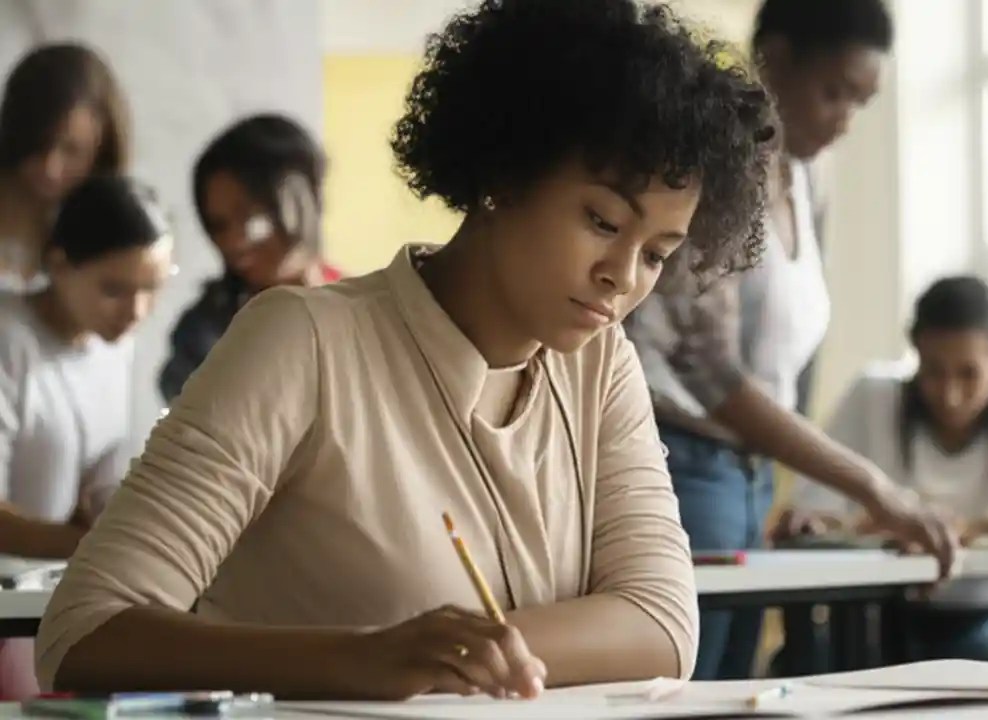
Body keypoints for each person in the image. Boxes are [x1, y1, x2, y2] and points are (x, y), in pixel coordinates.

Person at [35, 0, 775, 699]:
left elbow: (661, 620)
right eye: (603, 221)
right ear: (502, 173)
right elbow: (84, 629)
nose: (622, 276)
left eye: (658, 254)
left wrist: (459, 653)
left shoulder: (599, 365)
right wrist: (355, 656)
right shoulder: (303, 340)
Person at [627, 0, 956, 681]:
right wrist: (871, 486)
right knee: (685, 688)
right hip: (681, 463)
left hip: (746, 476)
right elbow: (711, 373)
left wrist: (803, 492)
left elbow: (791, 367)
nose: (844, 119)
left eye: (860, 102)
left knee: (732, 685)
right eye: (833, 92)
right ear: (774, 58)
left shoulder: (807, 178)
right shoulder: (721, 163)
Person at [777, 276, 988, 668]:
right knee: (803, 664)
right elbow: (813, 514)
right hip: (883, 612)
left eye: (968, 374)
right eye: (933, 371)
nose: (949, 395)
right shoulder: (871, 397)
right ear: (914, 352)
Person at [0, 175, 173, 699]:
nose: (135, 311)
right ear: (58, 265)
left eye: (151, 289)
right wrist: (96, 546)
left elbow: (99, 490)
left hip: (59, 599)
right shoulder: (10, 340)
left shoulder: (111, 347)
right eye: (114, 289)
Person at [160, 114, 341, 402]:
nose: (234, 242)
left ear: (305, 197)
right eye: (219, 225)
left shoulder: (370, 309)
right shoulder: (204, 333)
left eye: (250, 217)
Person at [0, 43, 130, 293]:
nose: (51, 167)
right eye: (40, 143)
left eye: (72, 151)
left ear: (99, 153)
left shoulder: (98, 239)